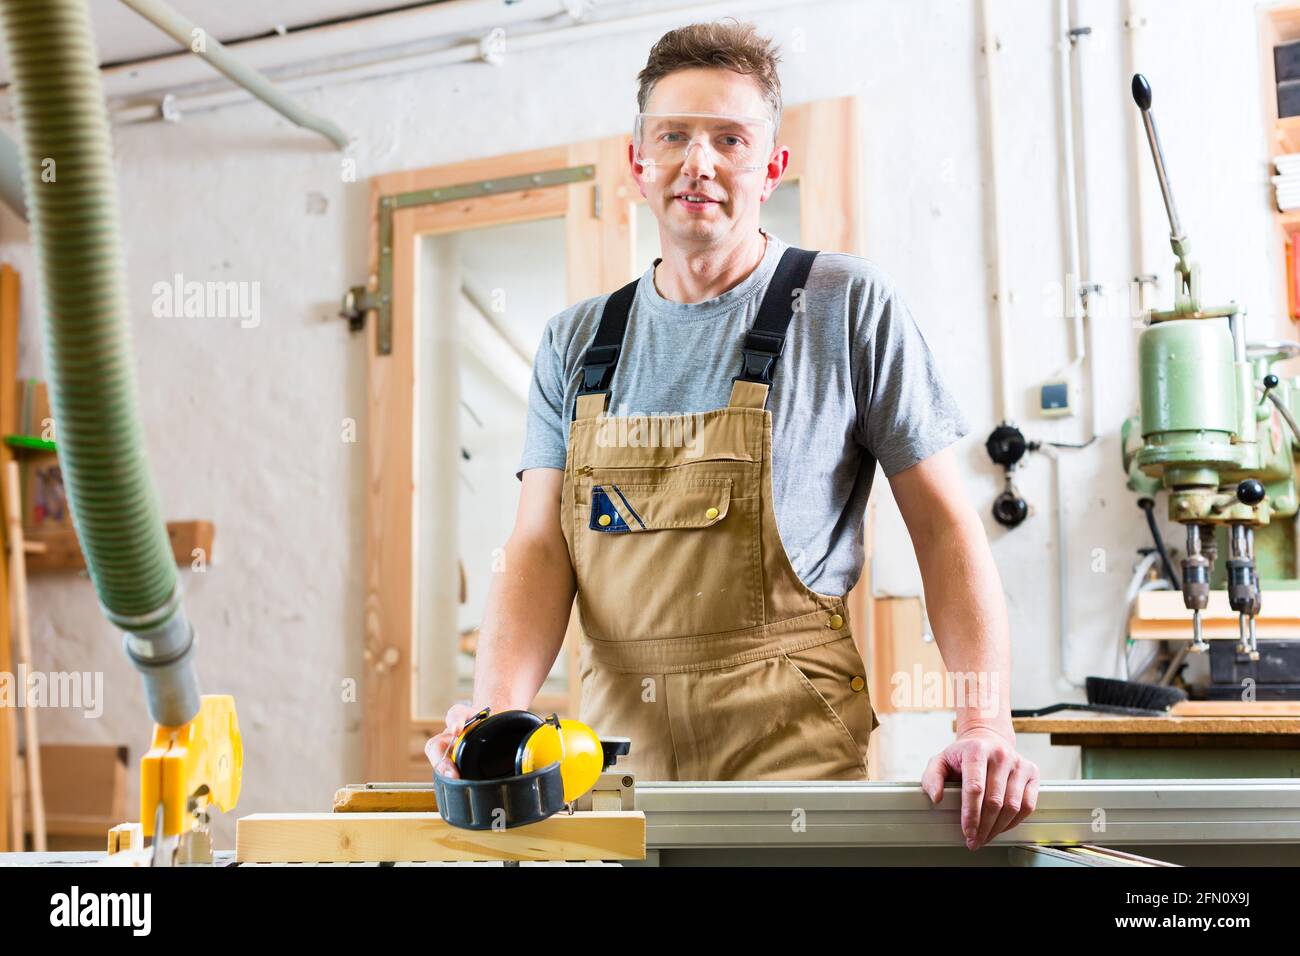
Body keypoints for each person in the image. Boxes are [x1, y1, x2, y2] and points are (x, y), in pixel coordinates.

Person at [427, 19, 1038, 851]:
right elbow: (537, 547)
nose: (699, 162)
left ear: (772, 166)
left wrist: (984, 720)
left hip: (792, 764)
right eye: (673, 135)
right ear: (637, 160)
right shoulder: (577, 342)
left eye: (730, 139)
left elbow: (944, 528)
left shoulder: (844, 305)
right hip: (613, 768)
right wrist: (494, 716)